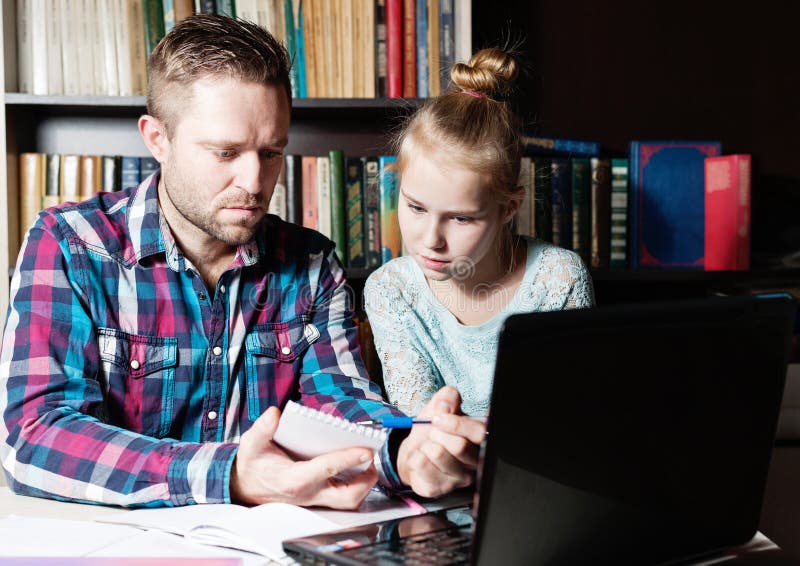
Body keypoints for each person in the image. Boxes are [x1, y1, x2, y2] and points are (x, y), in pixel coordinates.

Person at [0, 14, 476, 509]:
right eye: (226, 152)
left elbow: (341, 403)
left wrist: (404, 453)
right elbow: (34, 435)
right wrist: (228, 475)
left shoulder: (312, 264)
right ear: (156, 138)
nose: (254, 182)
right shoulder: (70, 245)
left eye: (271, 153)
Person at [364, 47, 595, 469]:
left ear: (508, 209)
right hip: (436, 488)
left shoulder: (558, 278)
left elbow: (567, 420)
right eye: (415, 207)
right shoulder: (389, 289)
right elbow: (423, 424)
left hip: (538, 483)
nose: (430, 239)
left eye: (461, 218)